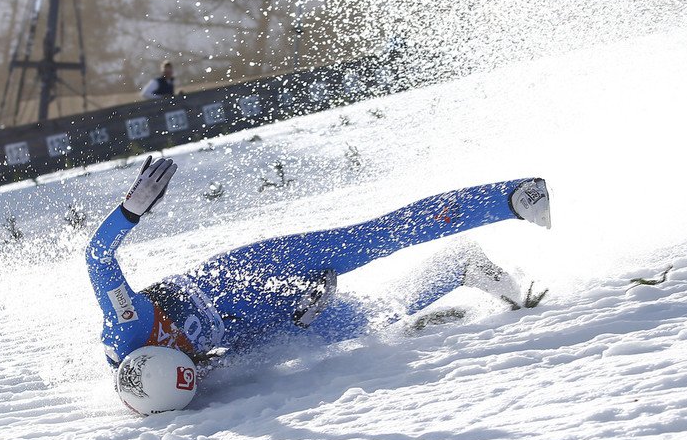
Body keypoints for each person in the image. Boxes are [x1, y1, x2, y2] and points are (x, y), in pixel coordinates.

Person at [86, 156, 551, 378]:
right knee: (373, 318)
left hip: (245, 272)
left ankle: (510, 198)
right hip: (272, 314)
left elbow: (98, 257)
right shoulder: (176, 390)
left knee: (374, 239)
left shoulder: (126, 326)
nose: (187, 371)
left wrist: (130, 211)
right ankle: (461, 266)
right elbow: (237, 354)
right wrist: (295, 321)